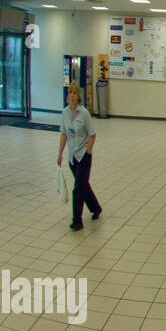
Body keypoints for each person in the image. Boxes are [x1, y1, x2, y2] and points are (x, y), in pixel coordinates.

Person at [58, 85, 101, 231]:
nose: (72, 96)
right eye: (70, 93)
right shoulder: (64, 113)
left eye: (74, 93)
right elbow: (64, 134)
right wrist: (60, 154)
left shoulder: (84, 114)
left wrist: (87, 152)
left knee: (77, 189)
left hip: (83, 156)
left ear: (78, 96)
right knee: (83, 186)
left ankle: (77, 221)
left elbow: (92, 135)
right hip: (72, 158)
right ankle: (96, 208)